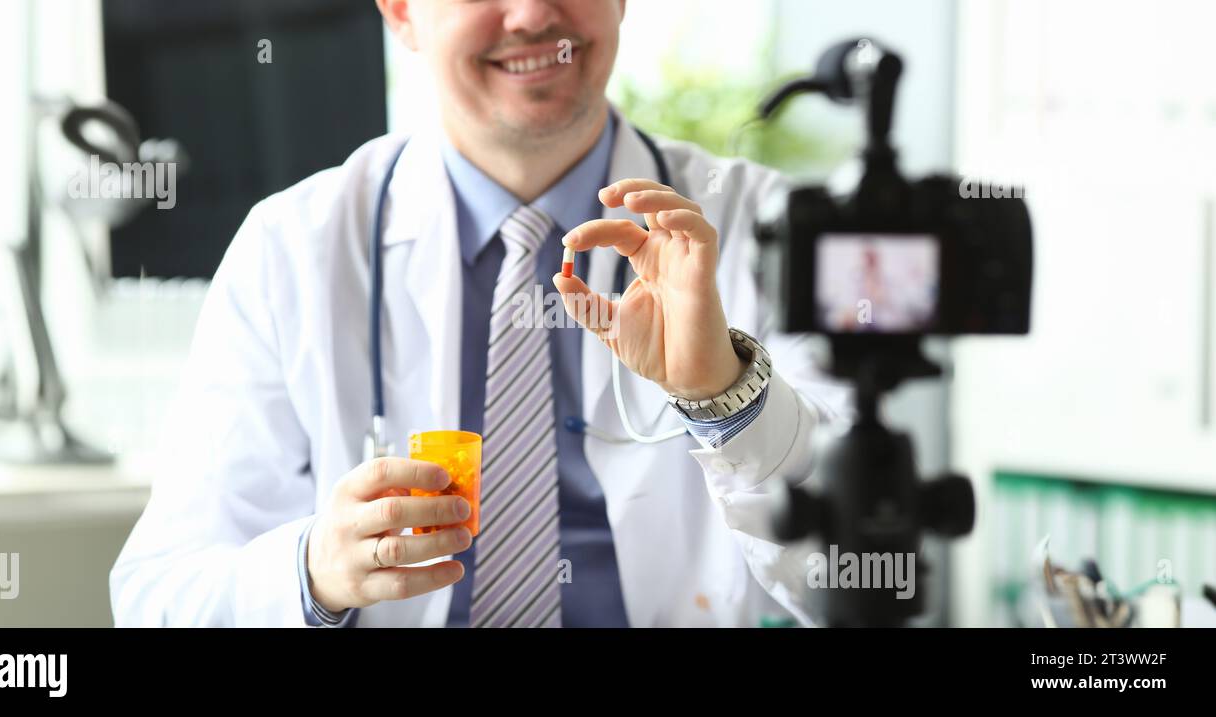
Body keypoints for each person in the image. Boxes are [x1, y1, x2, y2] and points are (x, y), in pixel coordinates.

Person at [110, 0, 849, 628]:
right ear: (401, 11)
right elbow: (158, 595)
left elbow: (860, 576)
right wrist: (312, 570)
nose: (532, 15)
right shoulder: (291, 250)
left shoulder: (769, 226)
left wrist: (726, 395)